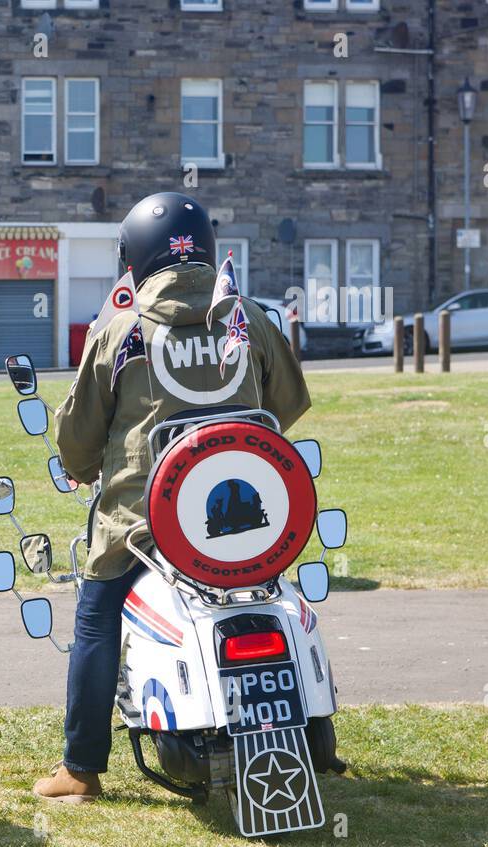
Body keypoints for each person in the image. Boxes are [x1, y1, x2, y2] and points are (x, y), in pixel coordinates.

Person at [34, 192, 311, 802]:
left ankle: (80, 770)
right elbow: (286, 408)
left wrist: (88, 468)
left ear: (133, 260)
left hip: (144, 526)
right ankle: (320, 739)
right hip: (253, 526)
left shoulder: (120, 334)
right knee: (286, 601)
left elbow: (77, 442)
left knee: (96, 617)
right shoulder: (252, 320)